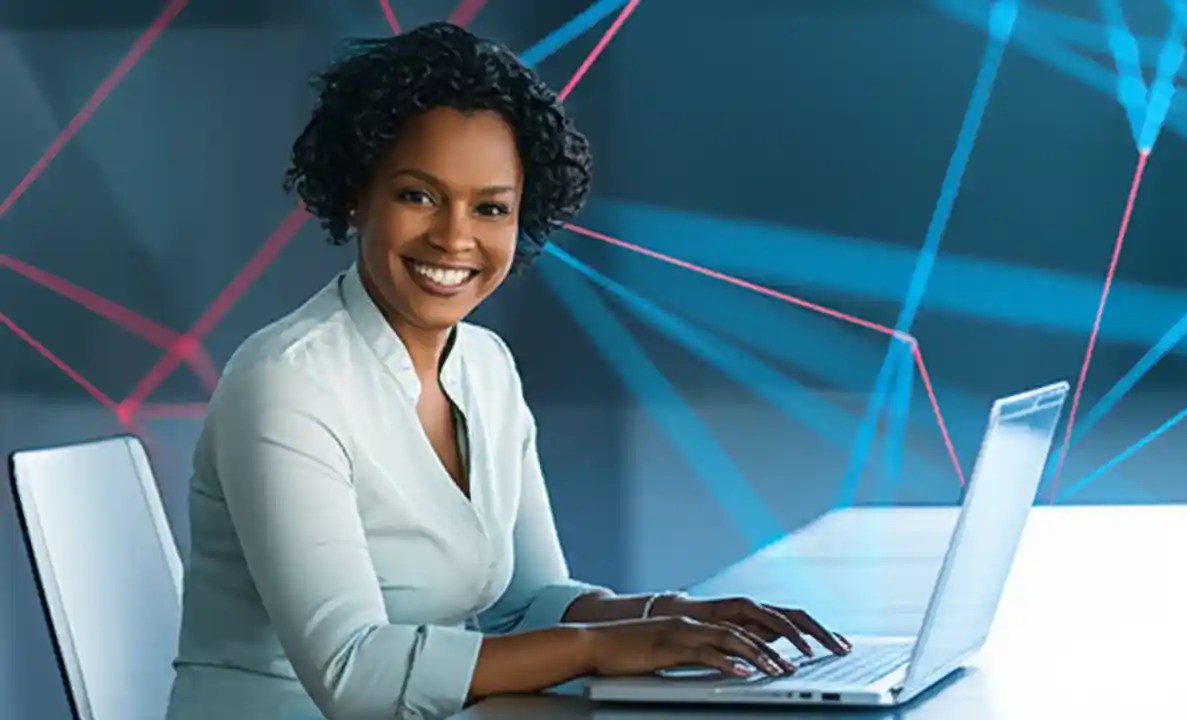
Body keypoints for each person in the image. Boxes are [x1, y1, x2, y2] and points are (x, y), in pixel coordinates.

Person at [165, 21, 849, 720]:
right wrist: (598, 648)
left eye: (490, 208)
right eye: (418, 196)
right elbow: (355, 675)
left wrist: (668, 617)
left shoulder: (486, 368)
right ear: (354, 194)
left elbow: (523, 606)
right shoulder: (286, 383)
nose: (455, 237)